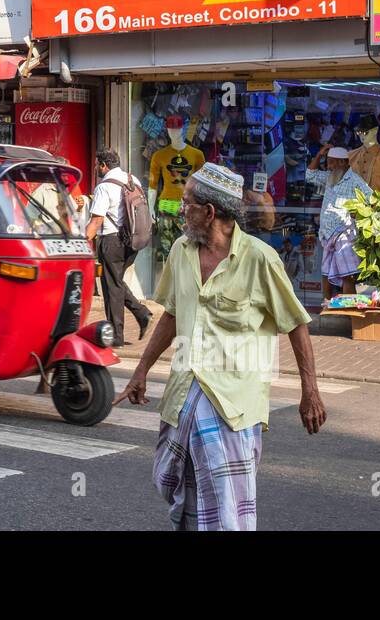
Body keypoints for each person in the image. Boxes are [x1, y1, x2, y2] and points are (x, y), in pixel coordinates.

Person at [117, 163, 326, 531]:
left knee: (227, 508)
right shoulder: (181, 251)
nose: (181, 209)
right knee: (177, 485)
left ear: (210, 212)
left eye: (187, 203)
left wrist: (310, 392)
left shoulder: (260, 259)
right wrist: (141, 370)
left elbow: (296, 324)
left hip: (232, 404)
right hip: (184, 394)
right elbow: (170, 315)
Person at [85, 148, 152, 346]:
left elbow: (96, 221)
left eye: (97, 164)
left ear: (104, 165)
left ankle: (116, 336)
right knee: (115, 281)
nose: (96, 167)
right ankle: (142, 314)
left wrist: (81, 242)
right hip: (133, 241)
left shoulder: (104, 187)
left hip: (112, 241)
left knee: (112, 287)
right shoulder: (133, 180)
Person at [306, 144, 371, 300]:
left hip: (344, 233)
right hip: (327, 234)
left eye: (333, 162)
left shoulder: (355, 180)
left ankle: (350, 312)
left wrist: (359, 213)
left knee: (347, 275)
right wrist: (319, 154)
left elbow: (371, 198)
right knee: (326, 272)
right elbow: (310, 175)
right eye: (328, 162)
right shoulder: (330, 177)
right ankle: (327, 306)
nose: (329, 166)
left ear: (343, 163)